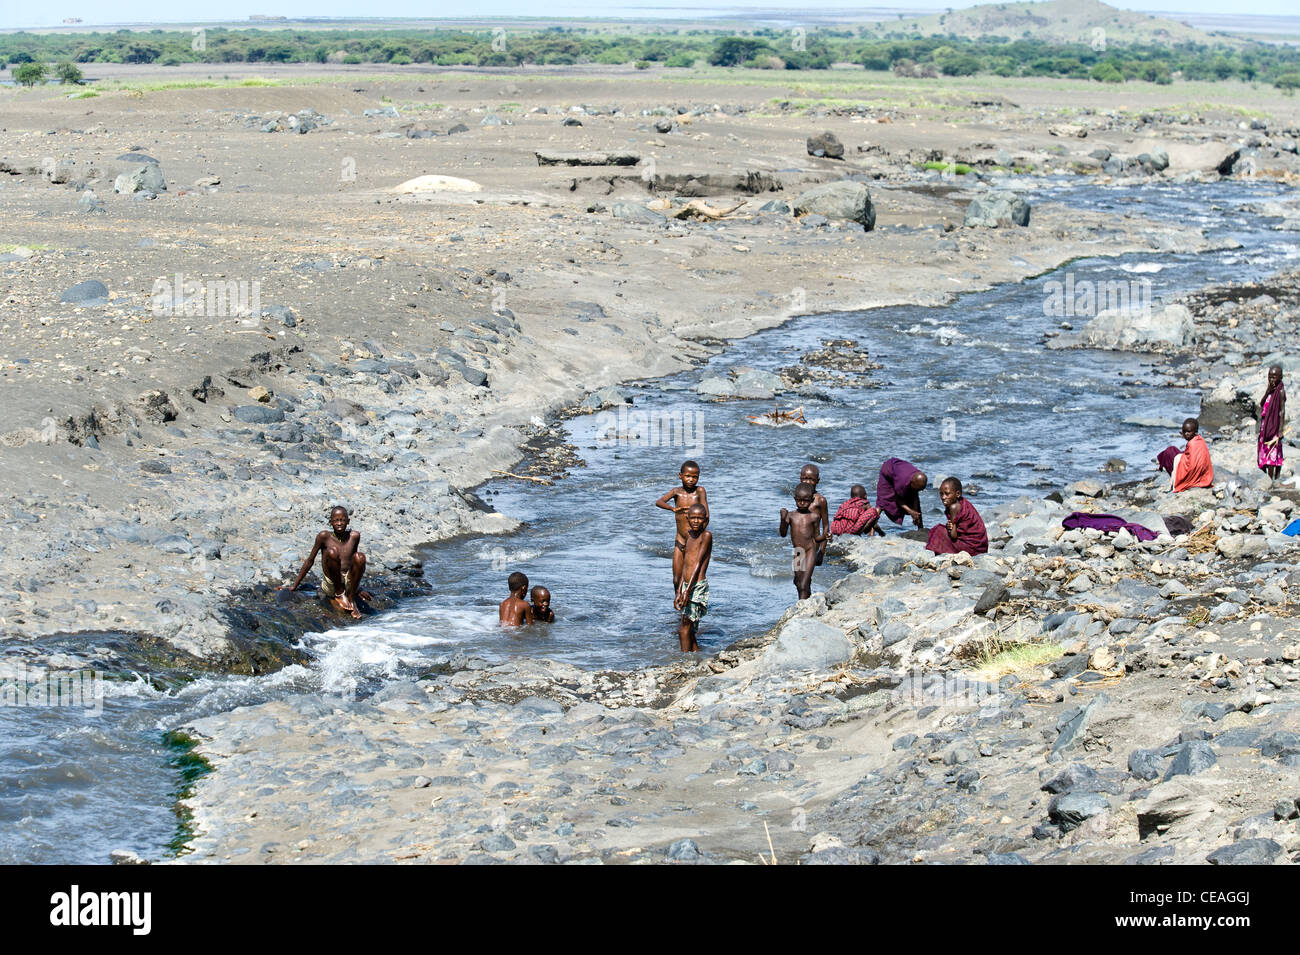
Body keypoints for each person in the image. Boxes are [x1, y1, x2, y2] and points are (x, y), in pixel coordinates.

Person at [280, 505, 369, 618]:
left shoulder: (354, 536)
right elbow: (310, 560)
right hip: (332, 581)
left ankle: (351, 599)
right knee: (332, 552)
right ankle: (339, 593)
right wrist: (294, 586)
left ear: (348, 521)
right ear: (330, 522)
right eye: (336, 520)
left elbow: (354, 562)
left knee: (360, 557)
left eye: (342, 520)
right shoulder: (324, 536)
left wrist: (357, 588)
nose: (339, 523)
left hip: (348, 580)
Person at [655, 460, 709, 591]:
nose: (691, 480)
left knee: (691, 576)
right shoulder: (676, 492)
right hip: (679, 540)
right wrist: (672, 509)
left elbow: (706, 516)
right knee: (676, 579)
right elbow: (659, 502)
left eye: (695, 477)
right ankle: (679, 603)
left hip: (694, 541)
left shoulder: (699, 491)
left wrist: (698, 537)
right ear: (680, 476)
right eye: (688, 476)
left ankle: (689, 602)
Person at [673, 504, 712, 652]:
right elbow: (685, 565)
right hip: (686, 585)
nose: (696, 521)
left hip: (697, 586)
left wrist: (688, 591)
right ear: (687, 519)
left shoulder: (706, 536)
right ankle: (696, 656)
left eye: (699, 518)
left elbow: (697, 563)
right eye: (693, 518)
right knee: (689, 629)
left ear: (705, 520)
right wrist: (679, 591)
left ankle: (683, 662)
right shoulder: (689, 535)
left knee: (683, 628)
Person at [780, 482, 827, 600]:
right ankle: (807, 599)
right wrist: (782, 519)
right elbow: (783, 534)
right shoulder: (790, 515)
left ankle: (801, 608)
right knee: (798, 582)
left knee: (804, 583)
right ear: (795, 499)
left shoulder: (814, 517)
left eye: (805, 500)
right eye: (799, 500)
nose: (802, 503)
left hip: (810, 550)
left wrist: (825, 537)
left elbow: (816, 537)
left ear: (811, 500)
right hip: (798, 552)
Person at [925, 478, 988, 556]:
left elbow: (953, 536)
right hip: (981, 547)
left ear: (957, 494)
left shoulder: (954, 507)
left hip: (972, 549)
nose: (943, 497)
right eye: (941, 494)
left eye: (947, 494)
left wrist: (949, 528)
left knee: (938, 530)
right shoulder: (962, 502)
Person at [1157, 418, 1214, 492]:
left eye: (1189, 431)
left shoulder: (1192, 444)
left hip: (1192, 475)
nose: (1186, 434)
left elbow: (1192, 465)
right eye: (1184, 431)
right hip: (1201, 475)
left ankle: (1175, 479)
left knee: (1169, 452)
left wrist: (1179, 459)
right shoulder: (1200, 440)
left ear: (1195, 431)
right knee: (1172, 449)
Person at [876, 458, 928, 528]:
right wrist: (910, 511)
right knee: (881, 502)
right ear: (911, 483)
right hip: (888, 470)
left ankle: (920, 528)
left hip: (898, 470)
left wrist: (915, 511)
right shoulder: (902, 482)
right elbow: (897, 498)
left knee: (916, 502)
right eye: (917, 489)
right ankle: (871, 531)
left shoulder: (918, 478)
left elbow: (915, 495)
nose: (919, 491)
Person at [799, 464, 832, 564]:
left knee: (806, 575)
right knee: (797, 575)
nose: (808, 482)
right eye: (804, 479)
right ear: (800, 479)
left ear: (818, 480)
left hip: (813, 543)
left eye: (811, 479)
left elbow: (826, 526)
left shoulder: (820, 501)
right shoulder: (799, 499)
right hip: (799, 543)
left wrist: (821, 552)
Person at [1259, 365, 1286, 480]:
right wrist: (1267, 392)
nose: (1271, 380)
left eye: (1274, 377)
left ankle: (1272, 479)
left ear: (1280, 377)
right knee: (1264, 451)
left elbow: (1282, 411)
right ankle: (1267, 477)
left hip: (1274, 426)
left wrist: (1280, 430)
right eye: (1270, 377)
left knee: (1273, 452)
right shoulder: (1270, 389)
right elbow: (1261, 403)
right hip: (1265, 426)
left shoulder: (1280, 391)